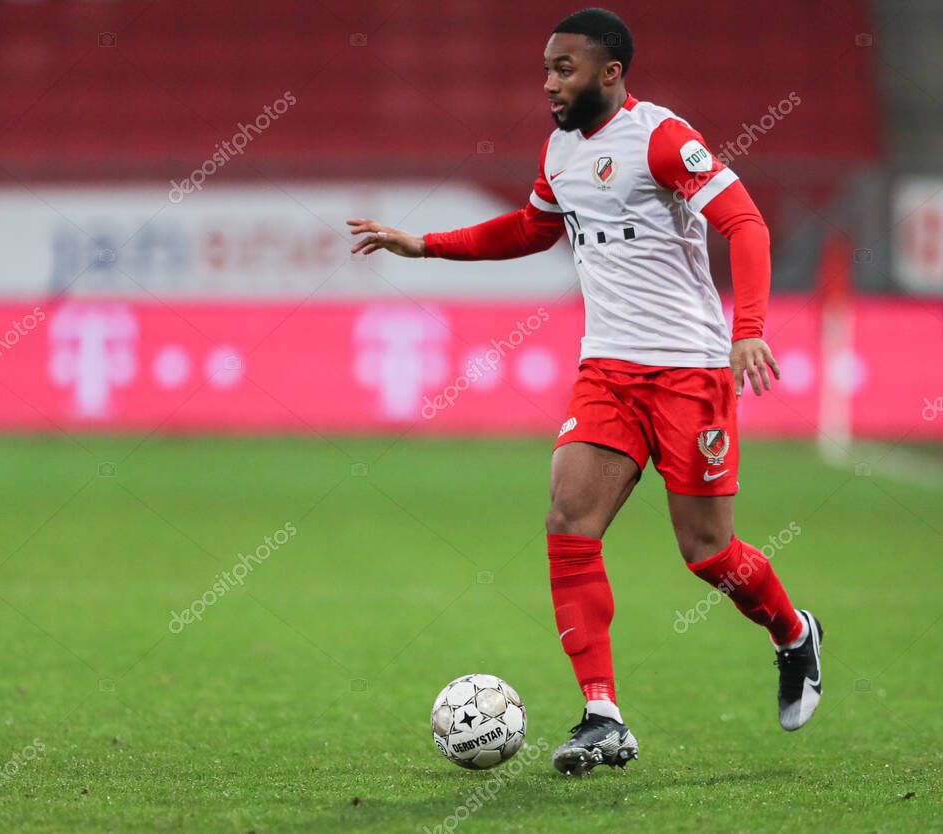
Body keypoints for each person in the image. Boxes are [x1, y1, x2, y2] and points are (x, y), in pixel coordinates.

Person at [347, 7, 822, 776]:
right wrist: (424, 245)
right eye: (545, 69)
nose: (548, 83)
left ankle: (794, 633)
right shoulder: (560, 151)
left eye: (563, 69)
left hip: (690, 372)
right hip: (606, 370)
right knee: (570, 519)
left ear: (611, 72)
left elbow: (746, 223)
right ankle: (604, 715)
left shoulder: (662, 139)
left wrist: (749, 329)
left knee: (707, 553)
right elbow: (531, 229)